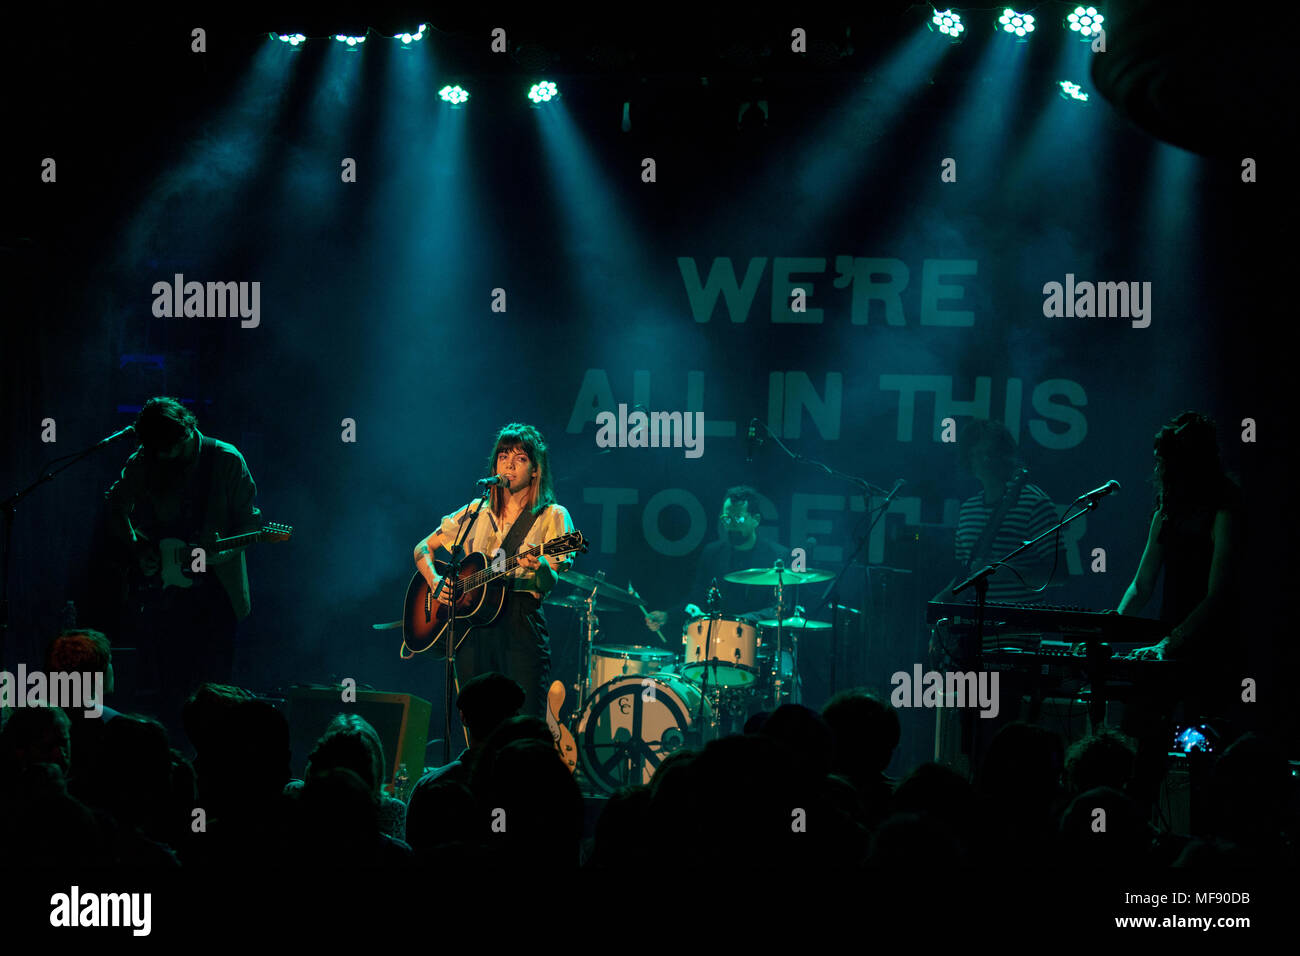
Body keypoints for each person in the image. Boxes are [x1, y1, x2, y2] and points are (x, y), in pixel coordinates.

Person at [104, 397, 260, 737]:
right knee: (168, 693)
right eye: (155, 450)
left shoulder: (226, 460)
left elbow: (250, 526)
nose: (163, 457)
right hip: (164, 594)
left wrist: (214, 554)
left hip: (217, 594)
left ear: (187, 431)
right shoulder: (146, 459)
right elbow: (116, 505)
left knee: (216, 694)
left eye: (169, 449)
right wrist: (137, 547)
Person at [1117, 412, 1242, 806]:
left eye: (1168, 460)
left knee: (1204, 755)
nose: (1161, 468)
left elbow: (1219, 594)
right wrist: (1108, 633)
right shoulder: (1166, 511)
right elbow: (1141, 585)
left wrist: (1169, 643)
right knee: (1146, 756)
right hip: (1167, 645)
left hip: (1208, 647)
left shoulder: (1226, 509)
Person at [413, 423, 574, 720]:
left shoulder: (553, 515)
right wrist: (435, 581)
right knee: (477, 723)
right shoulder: (475, 511)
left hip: (520, 621)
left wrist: (539, 568)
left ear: (535, 470)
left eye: (520, 458)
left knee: (524, 721)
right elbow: (422, 548)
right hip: (472, 627)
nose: (509, 464)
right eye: (503, 456)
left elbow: (549, 582)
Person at [947, 419, 1061, 604]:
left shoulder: (1034, 502)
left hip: (1020, 628)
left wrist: (1007, 572)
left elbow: (1059, 574)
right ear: (968, 459)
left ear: (1005, 456)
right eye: (977, 454)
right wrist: (940, 603)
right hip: (974, 626)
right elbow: (965, 573)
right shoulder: (968, 509)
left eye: (991, 453)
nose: (985, 460)